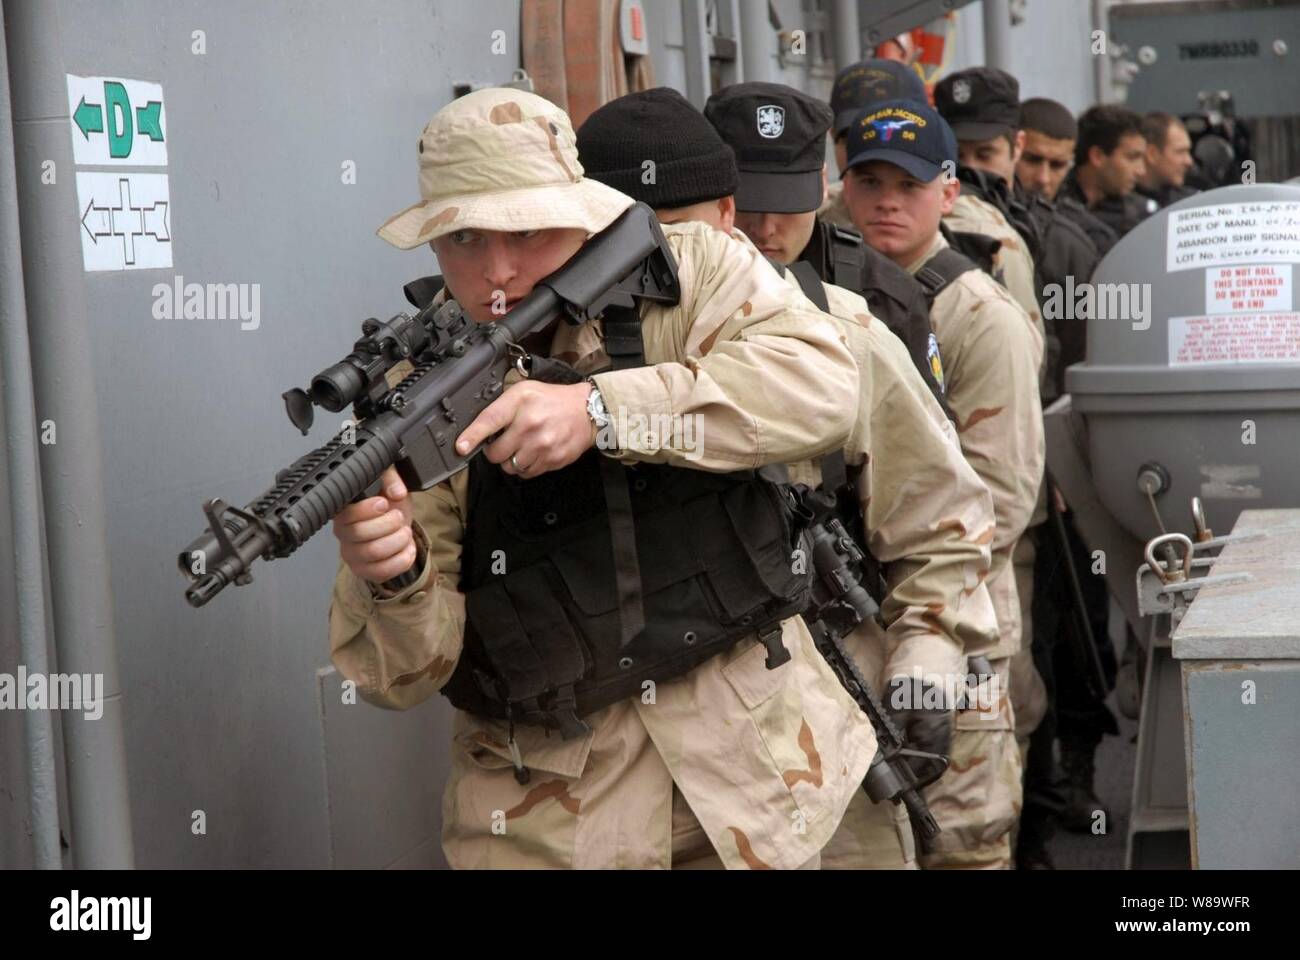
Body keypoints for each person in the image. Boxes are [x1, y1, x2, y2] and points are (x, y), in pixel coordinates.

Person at [328, 87, 871, 870]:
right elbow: (401, 677)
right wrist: (394, 576)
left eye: (529, 231)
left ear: (584, 214)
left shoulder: (687, 271)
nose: (499, 271)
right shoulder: (423, 389)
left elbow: (824, 389)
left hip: (751, 780)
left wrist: (603, 410)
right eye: (465, 240)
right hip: (555, 824)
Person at [583, 81, 1000, 870]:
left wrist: (927, 664)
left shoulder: (839, 331)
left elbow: (940, 519)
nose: (662, 259)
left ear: (725, 219)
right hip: (611, 764)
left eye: (684, 231)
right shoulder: (545, 362)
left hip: (820, 714)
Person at [841, 98, 1045, 869]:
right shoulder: (819, 293)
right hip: (853, 621)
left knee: (962, 833)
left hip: (961, 616)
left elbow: (1002, 497)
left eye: (911, 184)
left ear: (950, 194)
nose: (888, 201)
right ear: (841, 185)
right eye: (870, 182)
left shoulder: (975, 313)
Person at [1017, 97, 1118, 259]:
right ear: (1014, 150)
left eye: (1057, 165)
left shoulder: (1089, 236)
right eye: (1032, 160)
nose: (1043, 178)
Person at [1059, 105, 1156, 240]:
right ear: (1097, 156)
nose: (1141, 170)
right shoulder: (1058, 207)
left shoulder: (1136, 213)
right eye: (1132, 157)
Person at [1136, 111, 1197, 209]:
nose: (1189, 161)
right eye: (1180, 152)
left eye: (1188, 152)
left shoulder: (1192, 203)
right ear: (1152, 154)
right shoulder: (1120, 209)